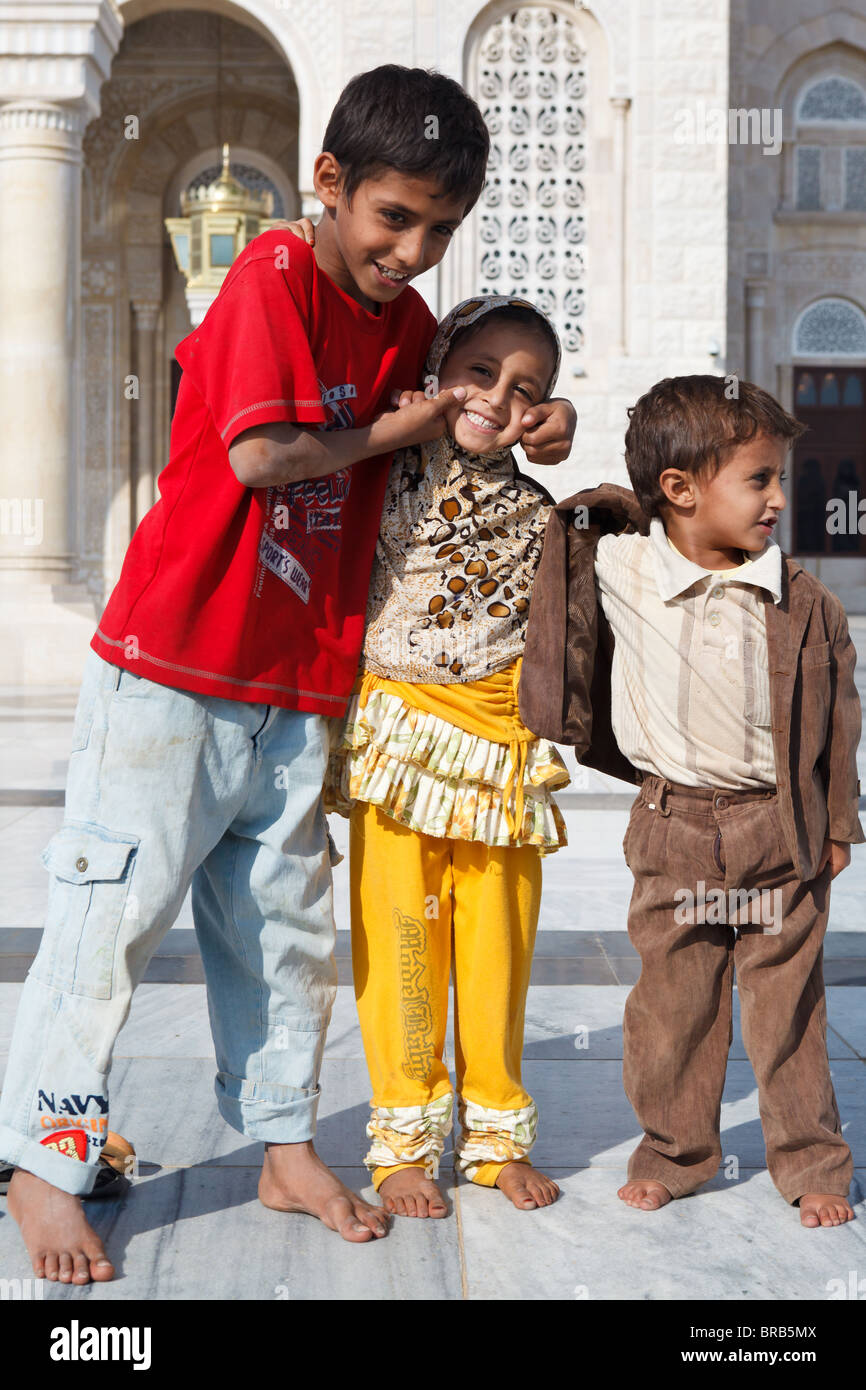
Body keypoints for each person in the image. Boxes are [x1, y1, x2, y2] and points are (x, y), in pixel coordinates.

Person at [0, 65, 577, 1285]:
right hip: (176, 658)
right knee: (113, 915)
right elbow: (262, 454)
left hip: (300, 680)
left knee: (282, 933)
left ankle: (277, 1142)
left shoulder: (411, 330)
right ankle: (44, 1165)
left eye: (438, 229)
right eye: (393, 217)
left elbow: (468, 408)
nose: (411, 250)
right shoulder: (273, 272)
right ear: (329, 185)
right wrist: (408, 426)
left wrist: (538, 415)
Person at [519, 375, 864, 1229]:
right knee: (672, 1008)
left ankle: (811, 1159)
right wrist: (552, 420)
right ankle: (675, 1155)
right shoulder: (622, 564)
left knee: (788, 1007)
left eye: (779, 478)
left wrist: (839, 823)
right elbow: (564, 517)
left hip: (776, 827)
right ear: (679, 491)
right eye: (759, 480)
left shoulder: (802, 601)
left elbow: (840, 720)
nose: (781, 498)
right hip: (672, 826)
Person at [326, 295, 570, 1218]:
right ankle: (403, 1143)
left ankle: (497, 1133)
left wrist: (570, 424)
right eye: (480, 372)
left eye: (527, 390)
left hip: (501, 743)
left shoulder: (538, 511)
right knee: (401, 942)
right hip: (397, 734)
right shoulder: (386, 461)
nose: (499, 399)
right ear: (437, 370)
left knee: (499, 940)